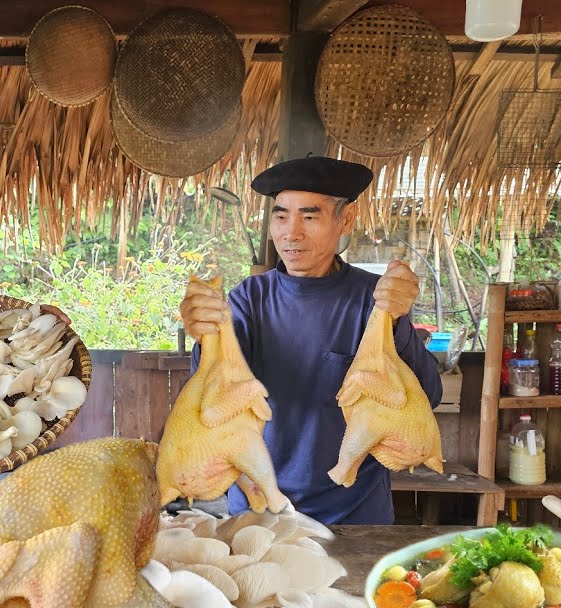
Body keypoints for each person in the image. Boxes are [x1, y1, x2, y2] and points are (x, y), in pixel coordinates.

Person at [179, 156, 442, 525]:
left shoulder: (376, 299)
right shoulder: (248, 300)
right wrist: (206, 335)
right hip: (259, 511)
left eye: (310, 216)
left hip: (355, 515)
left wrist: (396, 321)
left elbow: (427, 396)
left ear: (345, 220)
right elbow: (213, 397)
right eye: (281, 215)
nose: (291, 232)